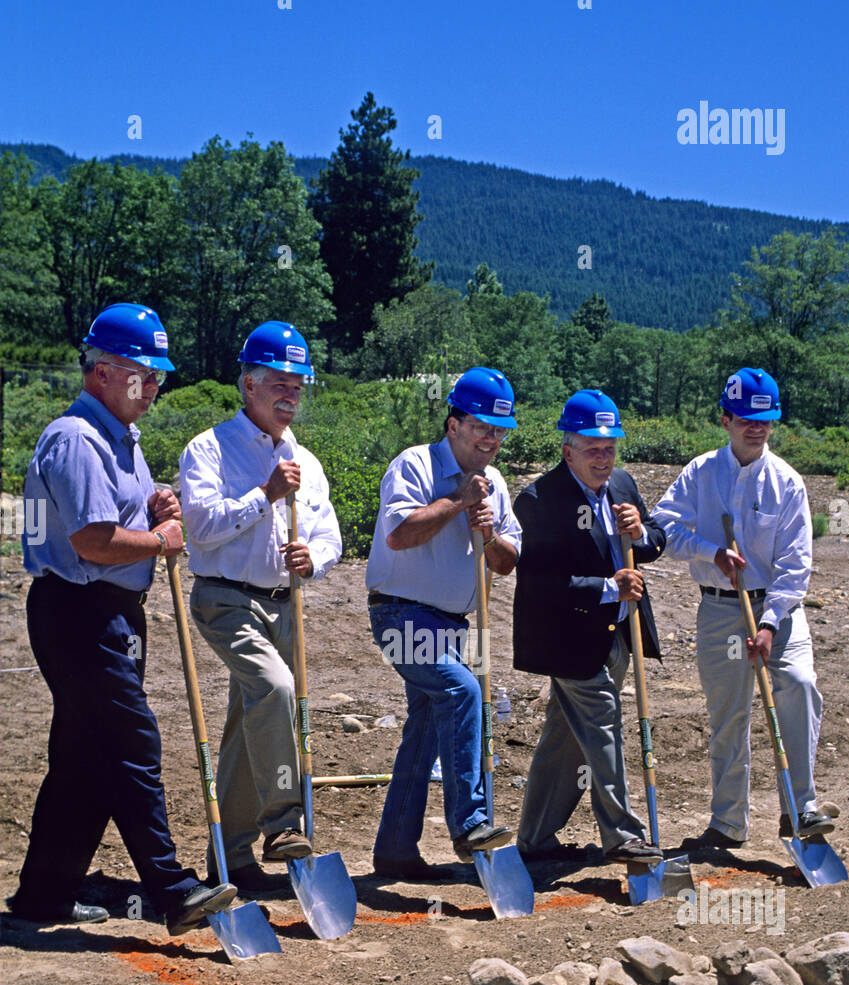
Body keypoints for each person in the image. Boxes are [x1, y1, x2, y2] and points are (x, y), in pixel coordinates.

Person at [5, 303, 235, 933]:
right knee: (133, 742)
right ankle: (172, 888)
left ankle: (43, 896)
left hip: (105, 612)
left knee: (83, 757)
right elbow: (93, 540)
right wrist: (161, 540)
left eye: (158, 374)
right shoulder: (77, 438)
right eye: (144, 373)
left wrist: (155, 502)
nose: (155, 386)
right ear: (103, 371)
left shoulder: (116, 437)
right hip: (79, 610)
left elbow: (119, 517)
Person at [179, 321, 341, 893]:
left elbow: (332, 537)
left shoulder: (308, 461)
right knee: (273, 692)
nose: (290, 395)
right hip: (225, 599)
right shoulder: (209, 448)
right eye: (279, 382)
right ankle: (283, 824)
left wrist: (312, 560)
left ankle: (230, 857)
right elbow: (200, 528)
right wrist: (264, 495)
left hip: (284, 604)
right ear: (248, 384)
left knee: (250, 721)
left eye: (299, 385)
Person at [649, 367, 832, 851]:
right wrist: (712, 552)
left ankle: (801, 810)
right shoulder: (700, 473)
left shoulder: (788, 483)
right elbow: (662, 528)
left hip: (779, 610)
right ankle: (728, 823)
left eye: (766, 419)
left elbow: (796, 565)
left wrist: (771, 624)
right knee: (728, 714)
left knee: (799, 686)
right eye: (747, 418)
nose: (757, 427)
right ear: (726, 419)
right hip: (719, 609)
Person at [366, 368, 523, 881]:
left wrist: (490, 533)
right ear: (453, 423)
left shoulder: (496, 483)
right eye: (482, 427)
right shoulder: (414, 463)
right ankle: (470, 824)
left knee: (429, 729)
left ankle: (394, 850)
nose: (491, 439)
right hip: (400, 611)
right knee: (461, 695)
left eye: (499, 431)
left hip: (459, 620)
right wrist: (459, 500)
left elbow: (505, 561)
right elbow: (399, 534)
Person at [513, 390, 665, 866]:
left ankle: (535, 839)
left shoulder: (622, 484)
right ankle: (623, 834)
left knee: (564, 739)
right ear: (568, 450)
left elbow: (656, 540)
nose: (603, 458)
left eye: (609, 448)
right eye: (593, 448)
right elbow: (539, 580)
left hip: (620, 634)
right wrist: (607, 585)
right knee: (603, 724)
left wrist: (640, 532)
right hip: (567, 639)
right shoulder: (540, 499)